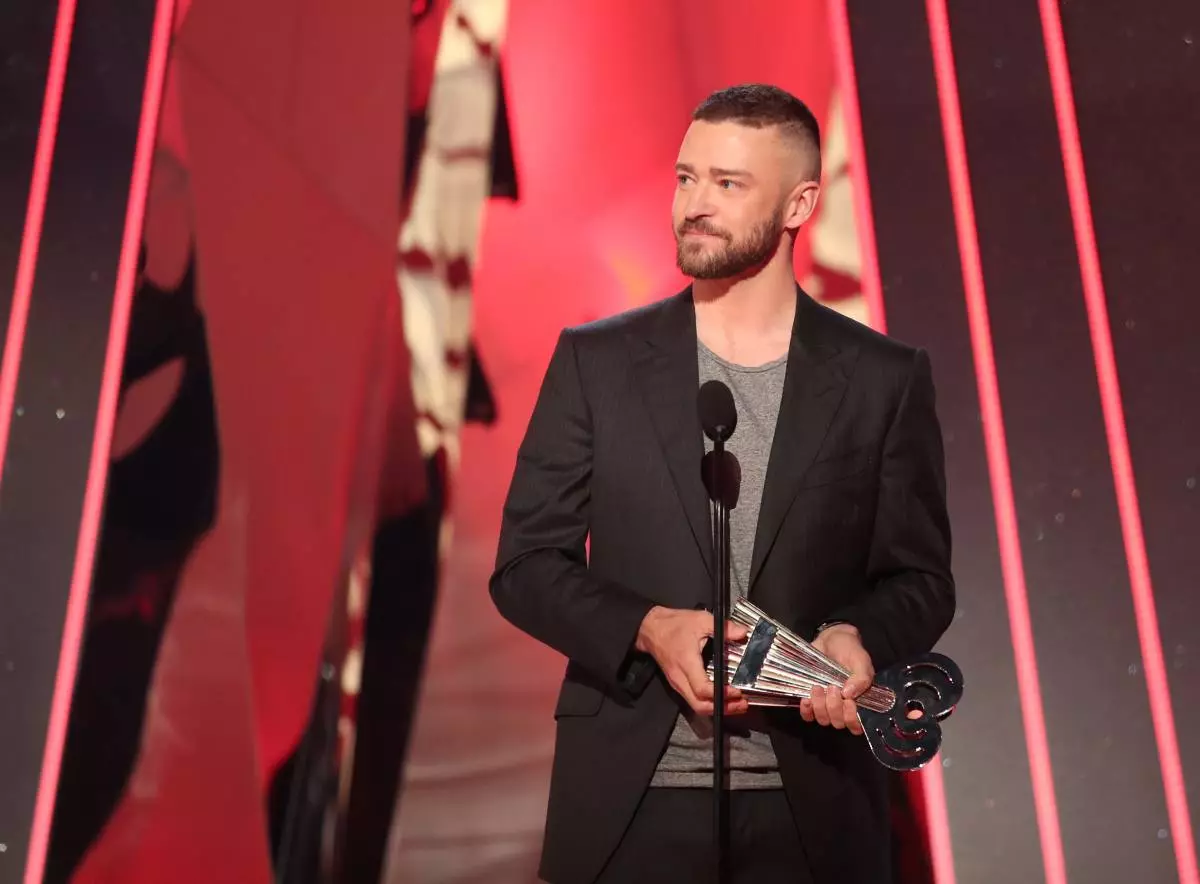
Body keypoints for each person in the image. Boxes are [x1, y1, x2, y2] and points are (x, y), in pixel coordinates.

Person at [490, 83, 955, 884]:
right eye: (685, 178)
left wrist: (858, 636)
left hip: (811, 802)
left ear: (801, 204)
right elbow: (526, 567)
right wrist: (648, 627)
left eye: (727, 184)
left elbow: (920, 579)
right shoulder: (596, 364)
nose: (694, 205)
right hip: (630, 802)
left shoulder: (884, 379)